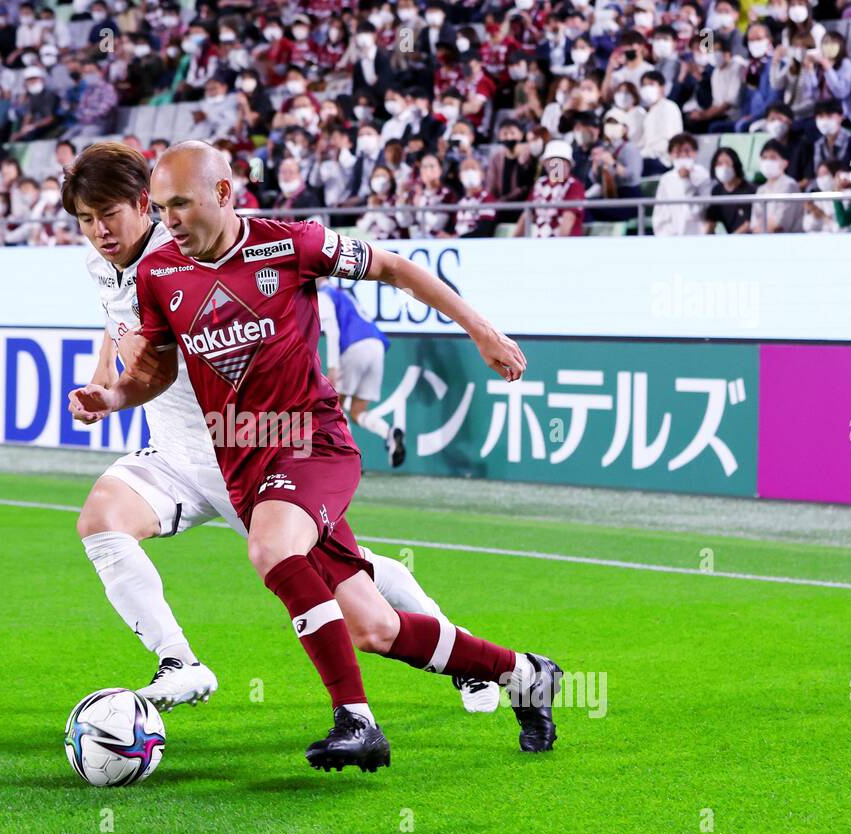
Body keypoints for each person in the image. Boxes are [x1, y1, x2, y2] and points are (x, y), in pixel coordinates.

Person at [71, 142, 560, 770]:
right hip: (240, 460)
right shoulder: (158, 273)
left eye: (180, 206)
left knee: (272, 548)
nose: (169, 221)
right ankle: (524, 673)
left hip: (310, 441)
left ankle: (356, 720)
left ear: (223, 194)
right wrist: (109, 396)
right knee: (373, 628)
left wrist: (482, 330)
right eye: (162, 209)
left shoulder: (291, 244)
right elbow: (151, 373)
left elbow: (393, 268)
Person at [317, 279, 404, 468]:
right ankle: (388, 432)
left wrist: (332, 367)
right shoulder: (343, 293)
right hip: (377, 346)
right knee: (357, 411)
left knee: (335, 407)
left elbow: (332, 331)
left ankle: (349, 459)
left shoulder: (324, 294)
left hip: (354, 347)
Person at [517, 139, 586, 237]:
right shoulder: (540, 184)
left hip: (566, 247)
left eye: (561, 161)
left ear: (569, 165)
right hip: (540, 245)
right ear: (545, 163)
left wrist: (556, 247)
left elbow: (569, 218)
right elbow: (527, 215)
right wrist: (512, 242)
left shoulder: (574, 185)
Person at [653, 133, 711, 236]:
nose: (683, 155)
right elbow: (660, 211)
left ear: (695, 152)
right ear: (671, 155)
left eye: (687, 151)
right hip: (671, 234)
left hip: (698, 233)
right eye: (678, 152)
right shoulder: (666, 179)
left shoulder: (703, 175)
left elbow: (707, 207)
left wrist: (689, 178)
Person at [749, 139, 803, 233]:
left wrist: (764, 227)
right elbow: (754, 225)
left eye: (773, 157)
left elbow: (779, 224)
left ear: (785, 163)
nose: (767, 161)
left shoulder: (789, 185)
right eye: (764, 158)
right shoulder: (761, 190)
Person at [704, 146, 756, 234]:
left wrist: (730, 240)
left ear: (735, 165)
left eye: (727, 163)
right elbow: (711, 220)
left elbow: (749, 224)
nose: (723, 167)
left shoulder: (750, 190)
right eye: (719, 164)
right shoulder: (717, 191)